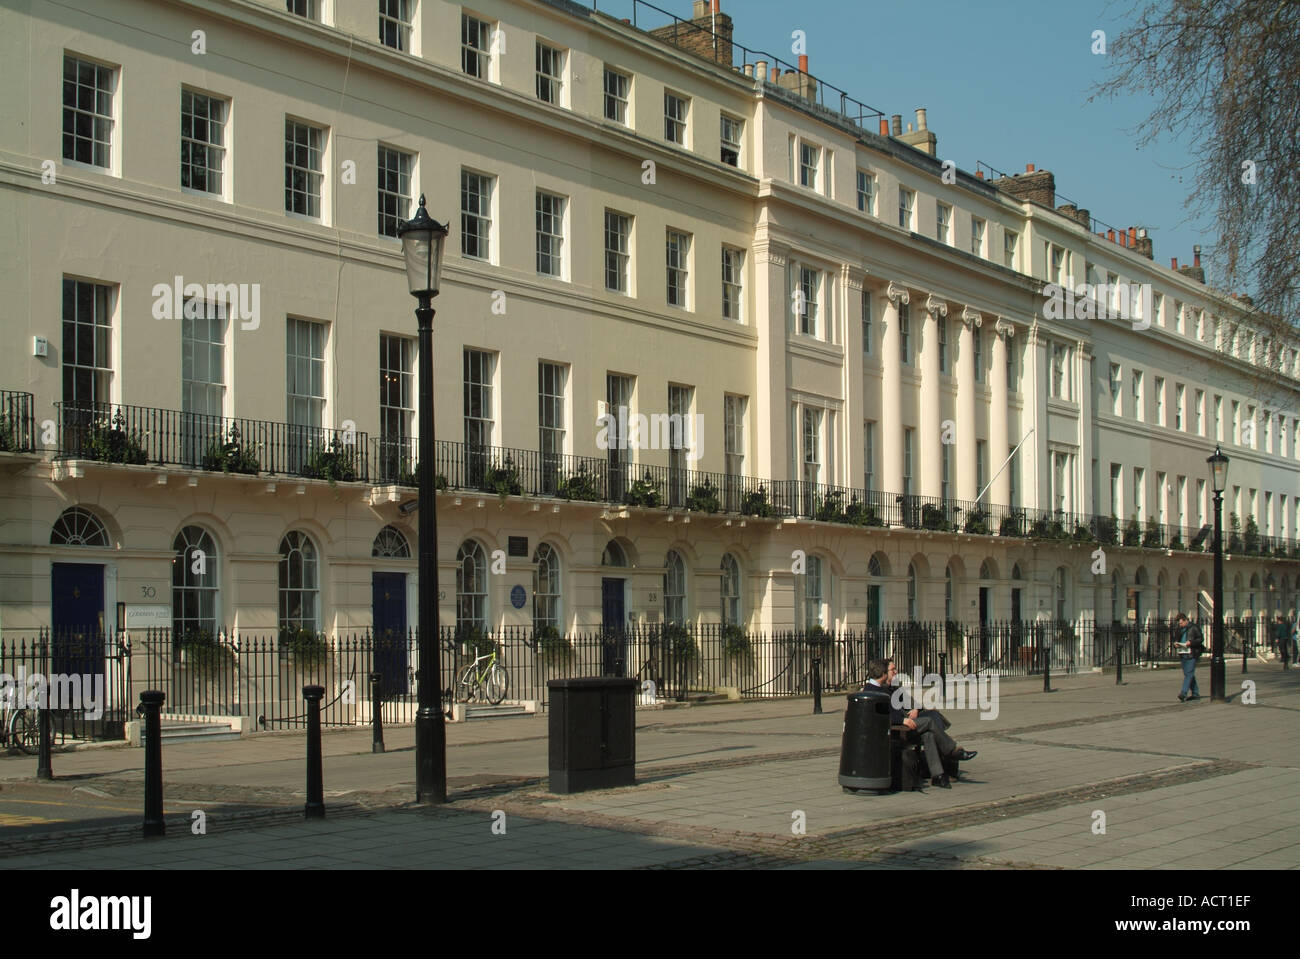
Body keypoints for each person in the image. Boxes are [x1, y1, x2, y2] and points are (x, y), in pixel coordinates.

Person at [865, 658, 976, 788]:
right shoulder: (873, 691)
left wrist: (914, 709)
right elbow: (880, 716)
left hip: (904, 726)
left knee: (928, 734)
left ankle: (938, 775)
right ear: (883, 673)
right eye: (892, 670)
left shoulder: (891, 688)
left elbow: (911, 703)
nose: (896, 672)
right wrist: (902, 720)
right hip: (895, 730)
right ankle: (952, 750)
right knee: (929, 721)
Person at [1173, 612, 1204, 701]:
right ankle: (1195, 693)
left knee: (1189, 673)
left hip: (1192, 653)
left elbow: (1200, 638)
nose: (1180, 625)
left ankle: (1183, 692)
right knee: (1188, 674)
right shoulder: (1179, 629)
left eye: (1181, 623)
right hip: (1183, 653)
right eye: (1179, 623)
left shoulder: (1194, 627)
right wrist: (1175, 643)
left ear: (1186, 620)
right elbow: (1176, 638)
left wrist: (1191, 642)